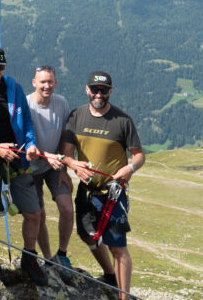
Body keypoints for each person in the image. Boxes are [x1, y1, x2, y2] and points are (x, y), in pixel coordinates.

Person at [60, 71, 145, 300]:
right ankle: (109, 275)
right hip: (86, 192)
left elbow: (139, 156)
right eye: (95, 90)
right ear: (87, 90)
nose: (99, 94)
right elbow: (66, 155)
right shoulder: (76, 116)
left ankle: (123, 297)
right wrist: (74, 166)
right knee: (87, 236)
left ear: (110, 92)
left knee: (117, 247)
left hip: (113, 194)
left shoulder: (123, 120)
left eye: (104, 90)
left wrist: (129, 169)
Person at [0, 46, 48, 286]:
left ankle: (28, 257)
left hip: (17, 157)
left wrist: (32, 145)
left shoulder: (14, 87)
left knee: (33, 212)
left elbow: (25, 122)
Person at [26, 65, 77, 283]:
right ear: (34, 83)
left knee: (66, 207)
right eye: (42, 82)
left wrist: (65, 168)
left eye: (50, 82)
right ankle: (48, 259)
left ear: (55, 83)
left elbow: (66, 135)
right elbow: (25, 142)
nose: (47, 86)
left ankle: (62, 254)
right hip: (31, 166)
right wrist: (48, 157)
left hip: (54, 165)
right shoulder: (26, 105)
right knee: (39, 216)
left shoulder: (61, 103)